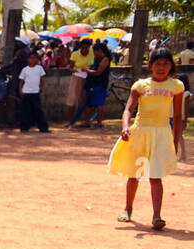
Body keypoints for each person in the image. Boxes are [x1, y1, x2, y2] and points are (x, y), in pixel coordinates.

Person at [109, 48, 185, 230]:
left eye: (165, 64)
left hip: (161, 134)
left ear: (171, 66)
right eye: (157, 64)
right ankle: (127, 209)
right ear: (150, 66)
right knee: (134, 175)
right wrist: (125, 127)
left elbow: (177, 114)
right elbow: (128, 110)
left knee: (155, 176)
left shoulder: (176, 86)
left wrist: (174, 144)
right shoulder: (140, 85)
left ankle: (157, 216)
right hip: (140, 133)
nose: (161, 67)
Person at [73, 42, 111, 128]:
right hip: (91, 84)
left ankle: (99, 123)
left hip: (100, 84)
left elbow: (98, 72)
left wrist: (87, 71)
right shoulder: (96, 59)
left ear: (99, 51)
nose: (94, 54)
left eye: (95, 52)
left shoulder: (105, 59)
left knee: (99, 104)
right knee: (88, 104)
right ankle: (87, 122)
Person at [18, 49, 49, 133]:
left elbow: (42, 79)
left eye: (34, 58)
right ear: (28, 59)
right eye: (31, 58)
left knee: (38, 111)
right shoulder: (25, 70)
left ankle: (43, 127)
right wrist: (20, 90)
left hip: (35, 92)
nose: (32, 60)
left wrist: (41, 88)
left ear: (37, 59)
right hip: (26, 92)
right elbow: (21, 81)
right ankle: (24, 127)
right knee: (25, 111)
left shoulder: (39, 69)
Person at [66, 38, 94, 123]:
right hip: (77, 77)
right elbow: (70, 67)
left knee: (86, 99)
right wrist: (74, 70)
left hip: (89, 78)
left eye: (86, 48)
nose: (85, 49)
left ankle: (86, 121)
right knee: (73, 99)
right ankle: (70, 121)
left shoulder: (92, 54)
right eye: (83, 47)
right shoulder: (75, 54)